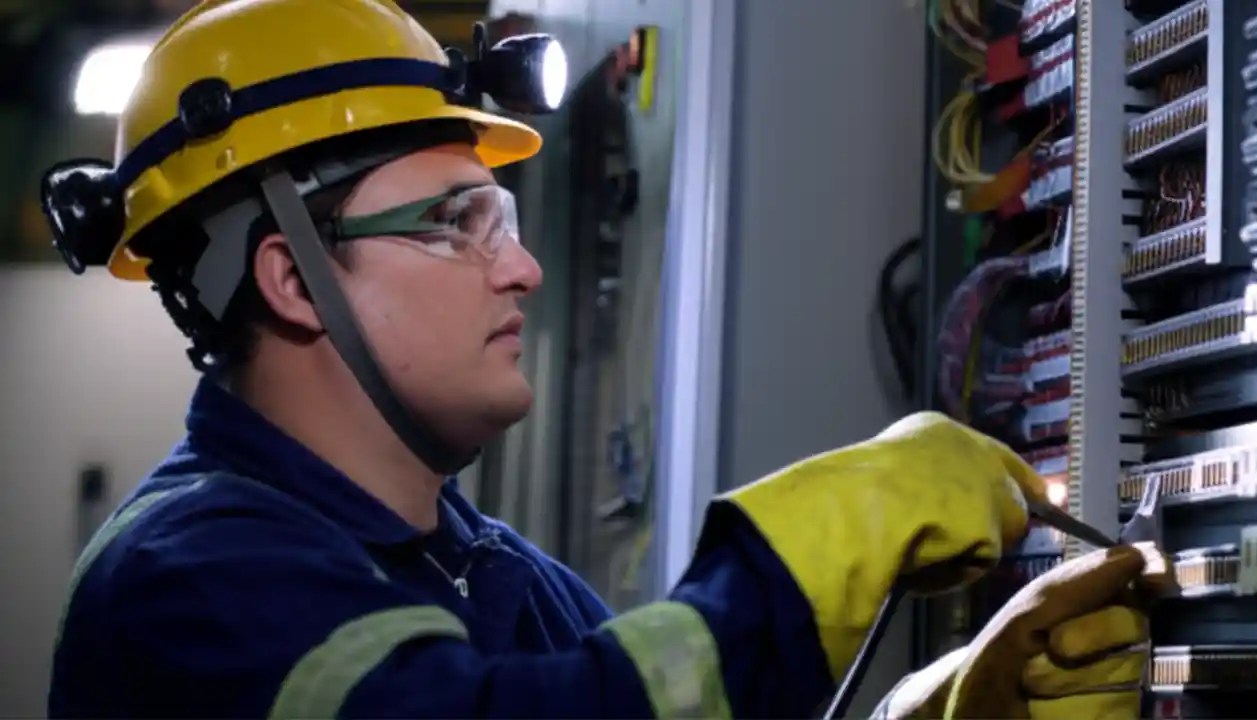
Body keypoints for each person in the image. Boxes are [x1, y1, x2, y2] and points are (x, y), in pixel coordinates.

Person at [41, 1, 1167, 717]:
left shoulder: (497, 575)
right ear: (293, 279)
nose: (523, 270)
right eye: (453, 224)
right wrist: (814, 544)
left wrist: (941, 714)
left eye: (503, 220)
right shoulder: (187, 580)